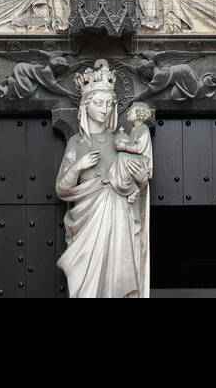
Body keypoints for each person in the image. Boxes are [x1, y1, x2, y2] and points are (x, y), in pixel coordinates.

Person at [55, 62, 152, 298]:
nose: (104, 109)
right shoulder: (76, 144)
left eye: (109, 104)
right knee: (86, 283)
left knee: (119, 274)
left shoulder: (122, 139)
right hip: (88, 221)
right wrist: (78, 166)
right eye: (98, 103)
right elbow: (62, 189)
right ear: (85, 106)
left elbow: (141, 178)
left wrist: (133, 176)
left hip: (119, 217)